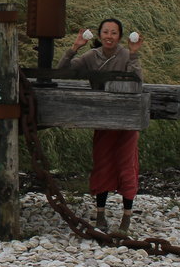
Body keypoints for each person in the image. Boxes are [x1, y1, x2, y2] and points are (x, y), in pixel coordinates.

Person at [56, 18, 144, 236]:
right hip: (102, 118)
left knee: (126, 165)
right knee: (103, 164)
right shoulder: (91, 56)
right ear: (99, 34)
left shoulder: (125, 54)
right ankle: (101, 216)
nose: (109, 36)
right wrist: (74, 47)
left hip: (124, 119)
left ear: (120, 37)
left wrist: (134, 54)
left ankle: (126, 218)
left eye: (114, 33)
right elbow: (62, 71)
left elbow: (137, 80)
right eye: (106, 32)